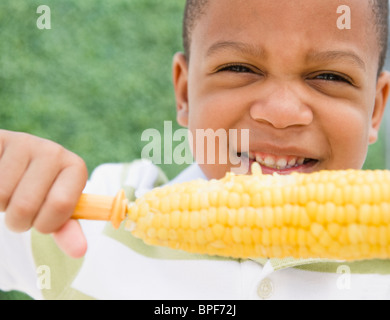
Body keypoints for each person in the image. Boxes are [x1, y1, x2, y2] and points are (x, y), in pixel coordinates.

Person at [1, 0, 390, 300]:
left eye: (329, 76)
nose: (281, 113)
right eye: (240, 68)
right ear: (185, 92)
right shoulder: (88, 215)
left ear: (375, 109)